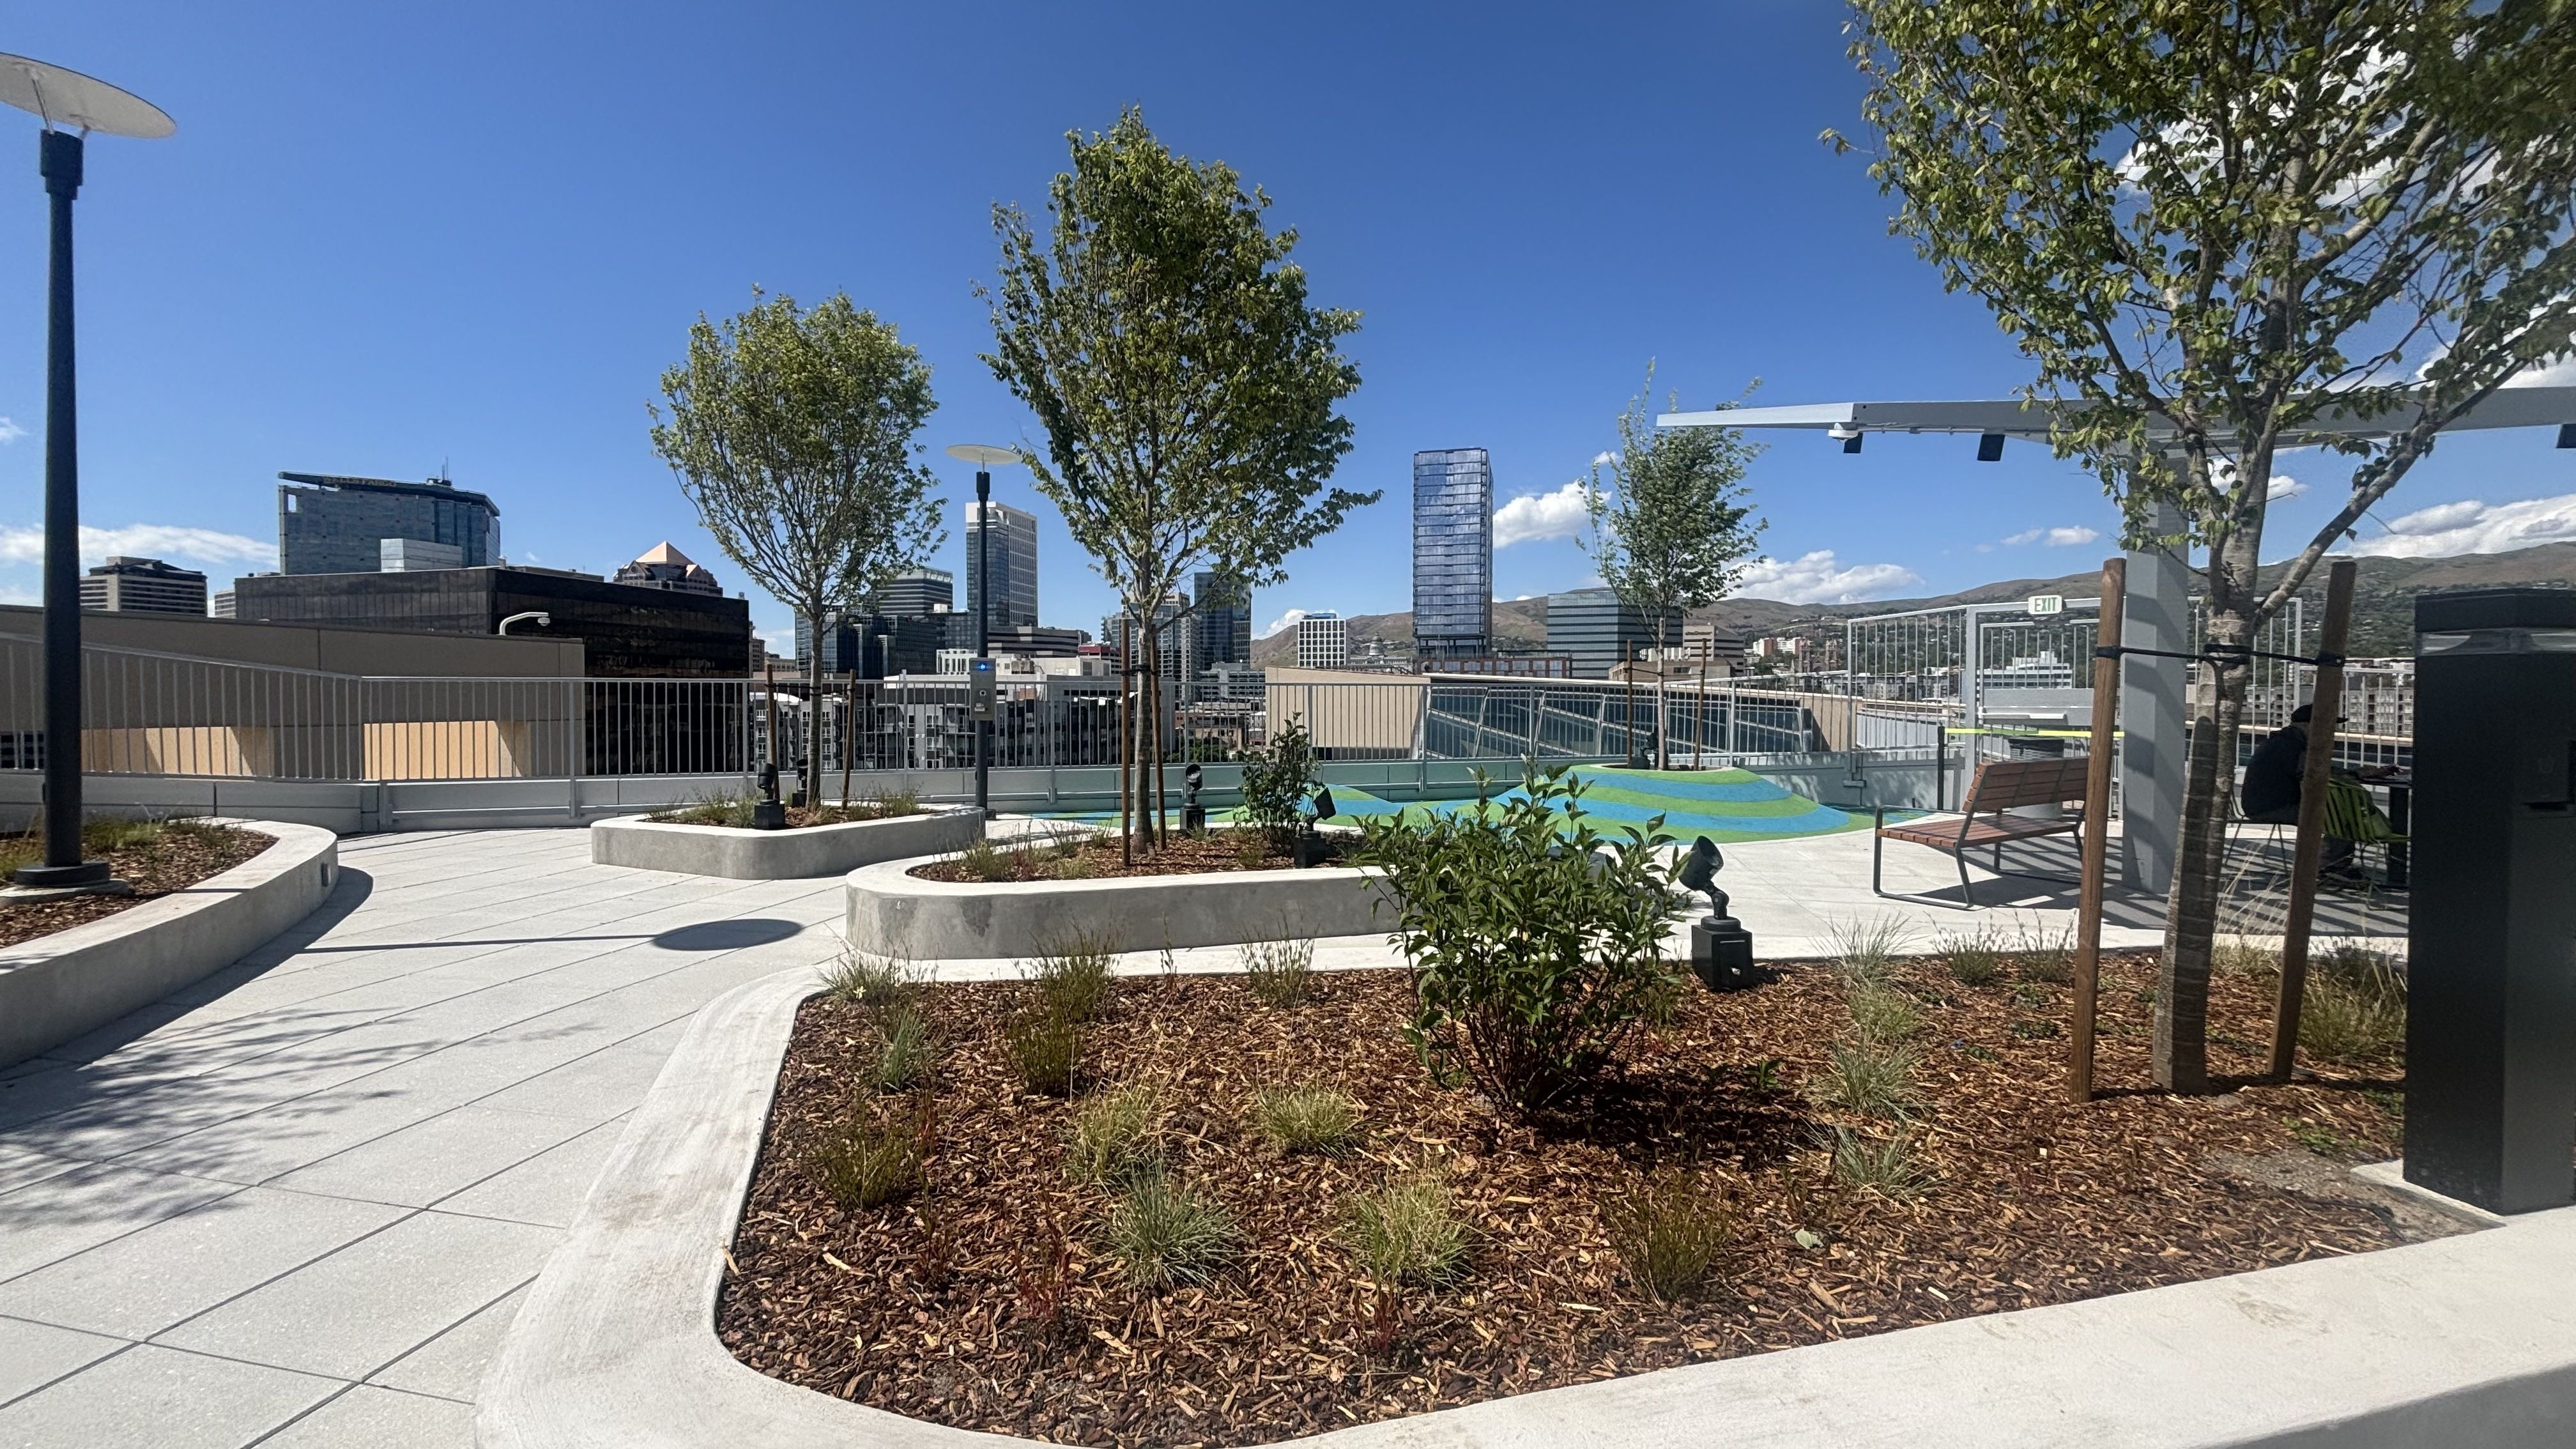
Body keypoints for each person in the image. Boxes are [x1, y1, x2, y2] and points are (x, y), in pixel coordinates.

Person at [2241, 703, 2393, 886]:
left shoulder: (2285, 741)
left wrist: (2354, 773)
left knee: (2334, 814)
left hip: (2264, 804)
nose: (2332, 732)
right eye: (2329, 726)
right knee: (2338, 817)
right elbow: (2314, 773)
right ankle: (2333, 867)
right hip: (2272, 807)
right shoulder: (2292, 746)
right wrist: (2356, 774)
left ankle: (2333, 864)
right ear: (2310, 725)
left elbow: (2315, 771)